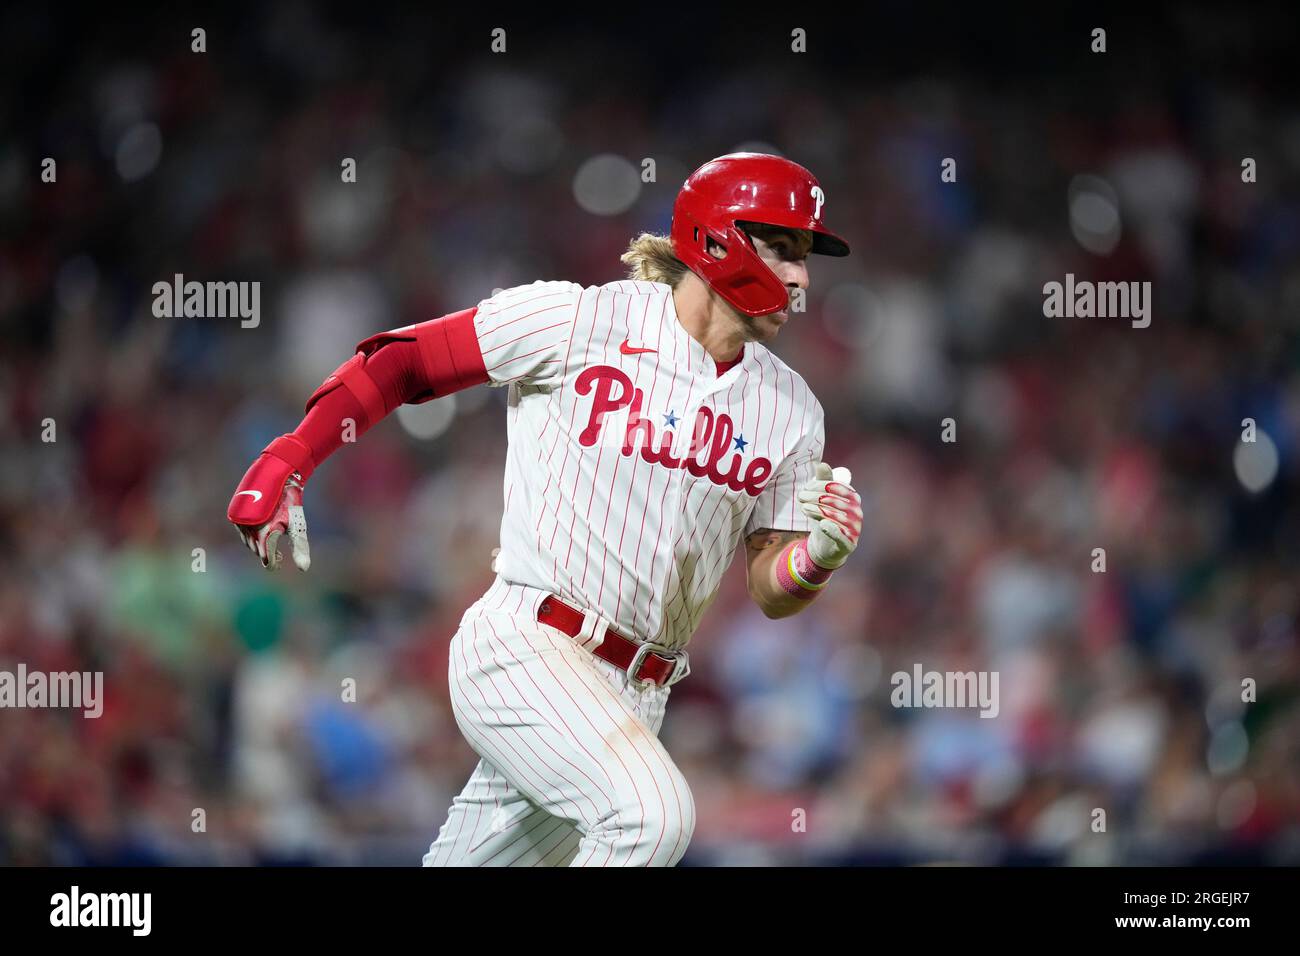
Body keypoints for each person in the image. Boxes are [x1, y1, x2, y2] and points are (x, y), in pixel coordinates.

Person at [227, 153, 863, 866]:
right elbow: (402, 362)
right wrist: (290, 457)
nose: (803, 278)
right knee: (651, 819)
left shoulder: (792, 410)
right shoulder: (578, 319)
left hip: (637, 695)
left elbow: (770, 588)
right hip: (527, 648)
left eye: (805, 257)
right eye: (785, 249)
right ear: (718, 239)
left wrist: (818, 557)